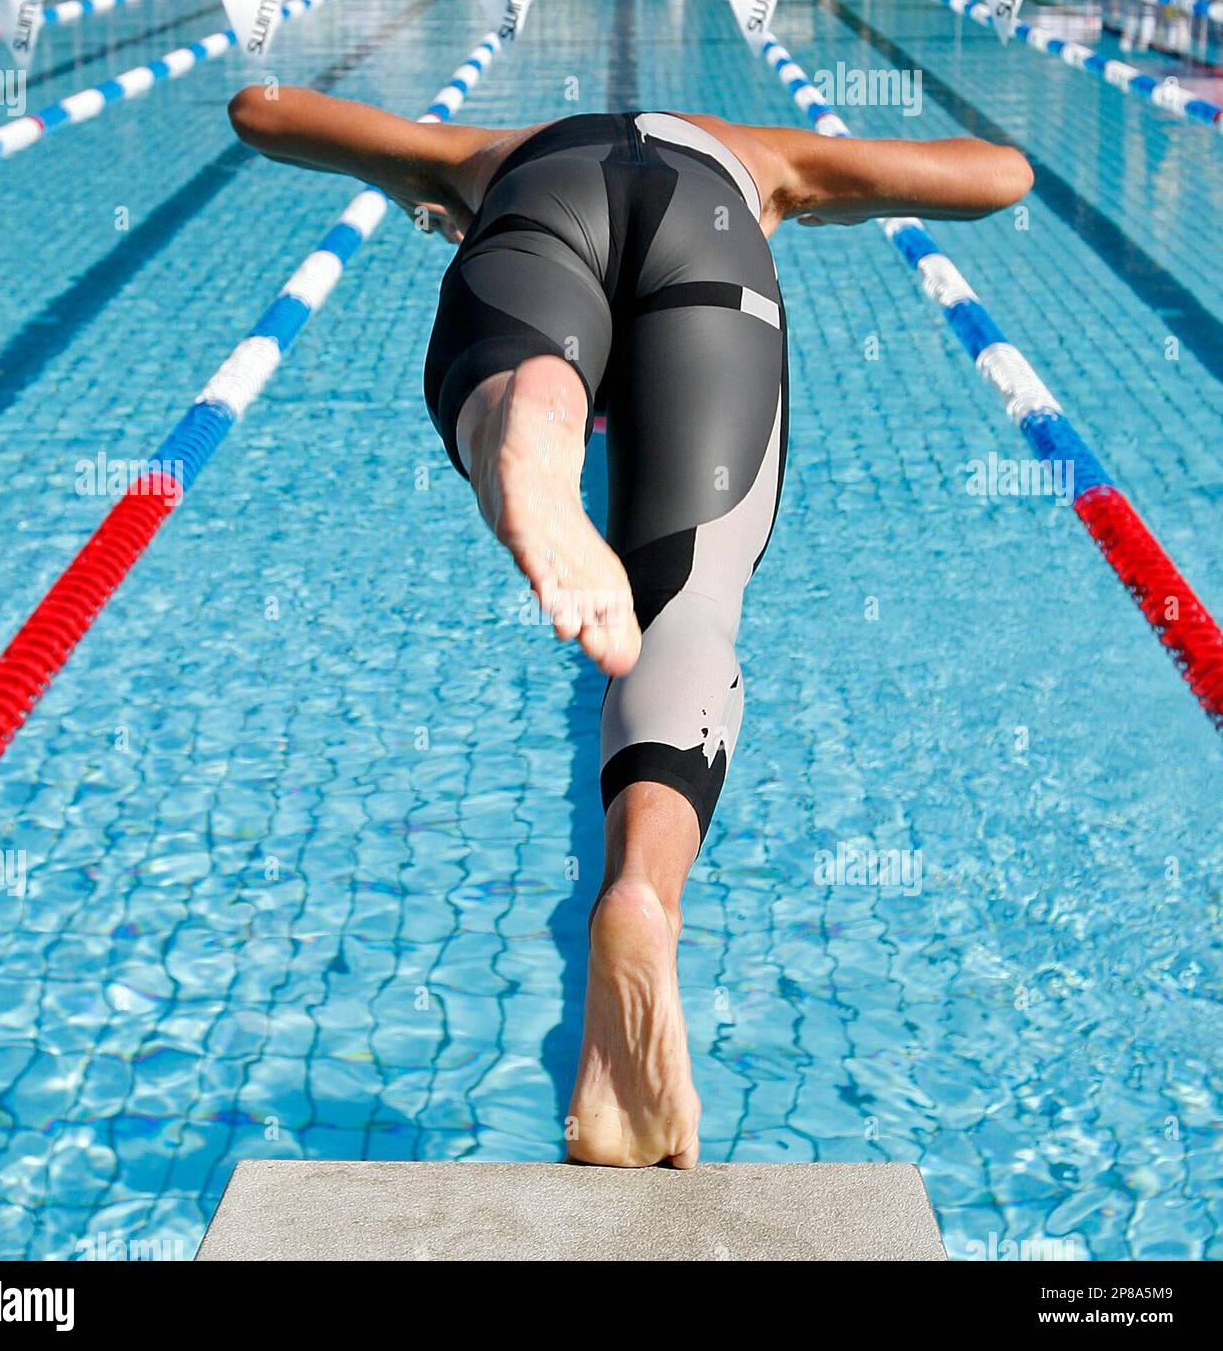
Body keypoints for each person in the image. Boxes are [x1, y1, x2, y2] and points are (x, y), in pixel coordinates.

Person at [228, 88, 1033, 1168]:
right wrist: (815, 187)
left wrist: (424, 181)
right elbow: (1000, 174)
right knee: (694, 604)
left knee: (520, 372)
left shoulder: (483, 148)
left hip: (534, 206)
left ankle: (531, 413)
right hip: (714, 227)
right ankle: (643, 894)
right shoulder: (766, 155)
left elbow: (259, 110)